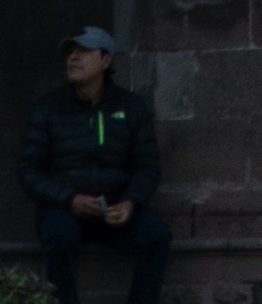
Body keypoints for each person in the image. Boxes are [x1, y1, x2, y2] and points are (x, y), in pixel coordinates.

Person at [19, 22, 167, 304]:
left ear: (106, 60)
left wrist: (129, 202)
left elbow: (147, 166)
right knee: (59, 238)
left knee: (157, 235)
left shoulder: (131, 107)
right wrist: (70, 199)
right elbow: (28, 170)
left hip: (112, 209)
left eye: (84, 51)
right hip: (64, 208)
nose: (73, 58)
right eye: (71, 52)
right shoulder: (48, 108)